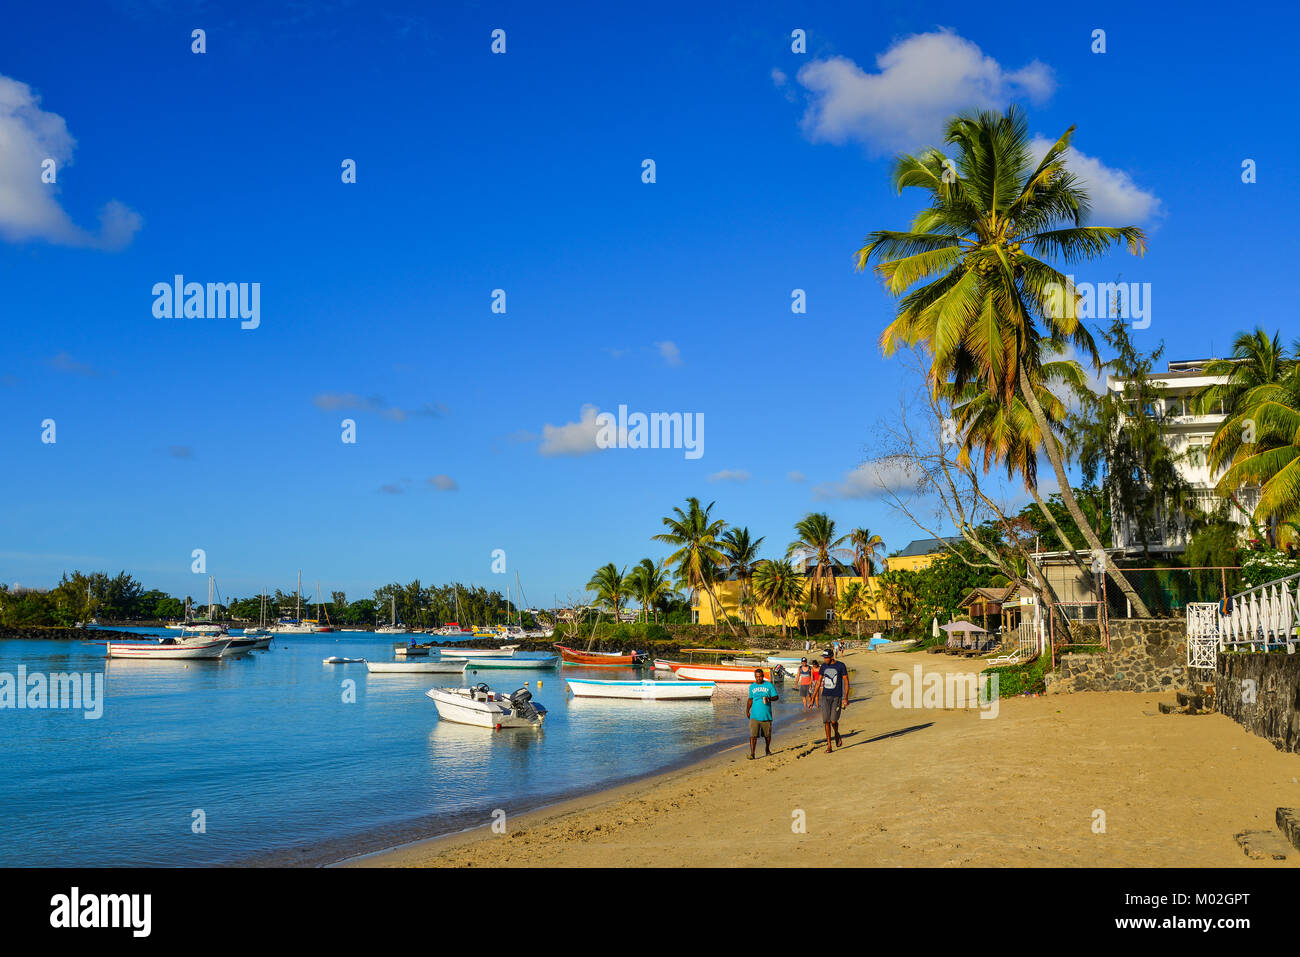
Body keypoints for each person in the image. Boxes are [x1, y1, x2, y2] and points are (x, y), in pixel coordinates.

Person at [818, 648, 850, 754]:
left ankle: (836, 733)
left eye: (826, 657)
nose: (825, 659)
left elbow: (846, 681)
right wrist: (813, 696)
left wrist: (845, 697)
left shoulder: (841, 665)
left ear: (832, 657)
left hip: (837, 697)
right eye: (824, 657)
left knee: (833, 721)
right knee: (826, 721)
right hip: (825, 696)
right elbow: (818, 681)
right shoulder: (823, 666)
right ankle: (829, 745)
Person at [746, 667, 779, 758]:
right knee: (753, 736)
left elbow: (776, 697)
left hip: (766, 715)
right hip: (754, 715)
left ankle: (767, 749)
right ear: (754, 677)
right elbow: (750, 699)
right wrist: (747, 711)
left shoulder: (769, 685)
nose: (758, 678)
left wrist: (769, 698)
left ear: (763, 676)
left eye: (760, 676)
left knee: (767, 735)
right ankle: (752, 753)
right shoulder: (752, 686)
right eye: (757, 677)